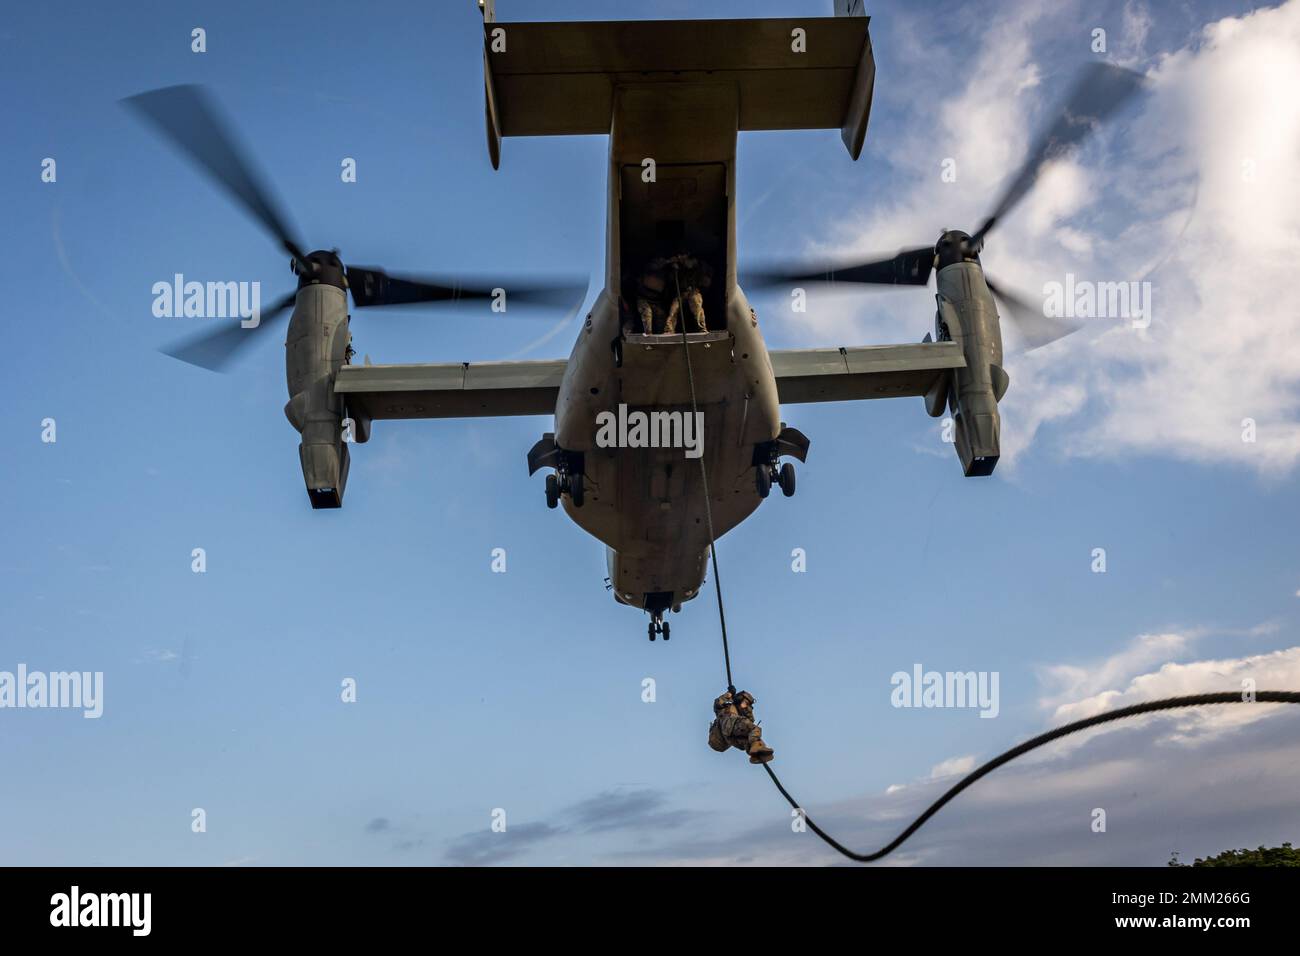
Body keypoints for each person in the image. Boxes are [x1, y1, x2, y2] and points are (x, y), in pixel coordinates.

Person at [707, 689, 774, 764]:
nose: (746, 706)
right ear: (739, 700)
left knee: (748, 740)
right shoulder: (728, 706)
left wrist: (748, 708)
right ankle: (757, 748)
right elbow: (718, 703)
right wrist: (729, 694)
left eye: (748, 704)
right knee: (753, 728)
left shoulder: (742, 712)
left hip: (729, 737)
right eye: (745, 702)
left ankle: (756, 754)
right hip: (729, 725)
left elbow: (751, 719)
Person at [662, 253, 711, 334]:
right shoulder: (679, 266)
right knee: (673, 310)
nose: (680, 257)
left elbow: (703, 278)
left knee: (697, 307)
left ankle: (702, 328)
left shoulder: (698, 265)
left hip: (694, 291)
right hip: (681, 292)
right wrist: (674, 268)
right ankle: (669, 330)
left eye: (682, 256)